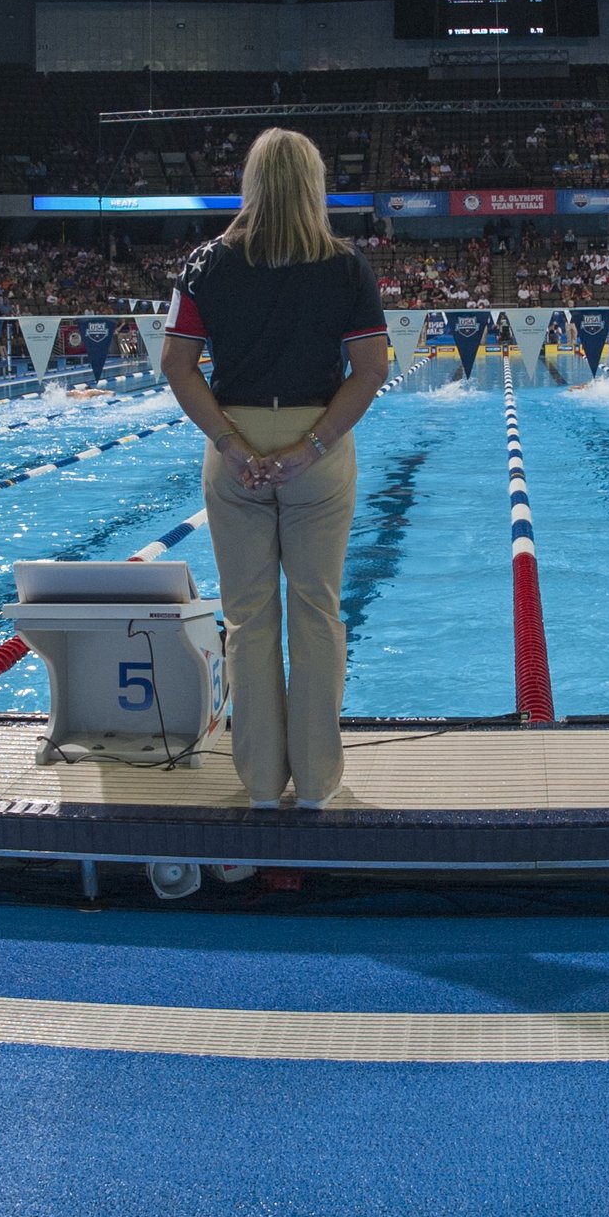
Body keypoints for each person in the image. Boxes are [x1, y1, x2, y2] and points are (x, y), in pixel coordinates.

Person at [160, 129, 389, 811]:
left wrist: (231, 444)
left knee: (248, 617)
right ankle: (317, 784)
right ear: (315, 185)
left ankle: (259, 783)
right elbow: (370, 370)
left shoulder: (205, 264)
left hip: (235, 447)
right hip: (315, 446)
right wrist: (310, 448)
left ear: (250, 184)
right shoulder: (345, 265)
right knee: (316, 614)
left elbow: (176, 365)